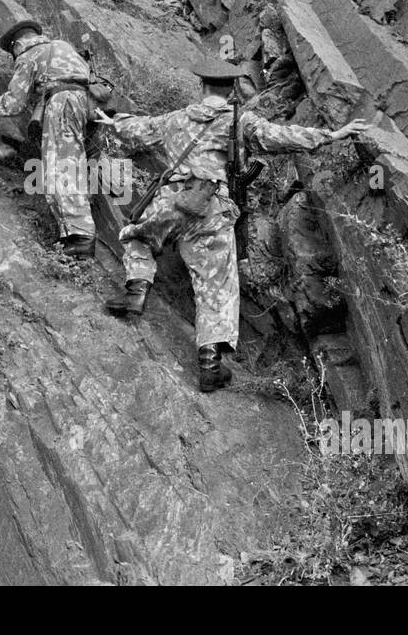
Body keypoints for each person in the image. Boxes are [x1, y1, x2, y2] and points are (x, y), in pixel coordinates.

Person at [99, 58, 371, 393]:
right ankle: (210, 365)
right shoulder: (239, 120)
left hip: (170, 200)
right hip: (211, 207)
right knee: (216, 284)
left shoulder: (178, 118)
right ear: (230, 91)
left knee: (137, 235)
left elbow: (138, 130)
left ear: (202, 87)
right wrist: (331, 135)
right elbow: (279, 136)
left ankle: (136, 293)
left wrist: (109, 120)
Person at [0, 20, 98, 258]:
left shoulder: (29, 56)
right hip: (83, 104)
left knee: (62, 167)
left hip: (61, 103)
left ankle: (81, 236)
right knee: (64, 164)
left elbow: (13, 104)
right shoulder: (63, 47)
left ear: (17, 44)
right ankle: (69, 236)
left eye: (12, 51)